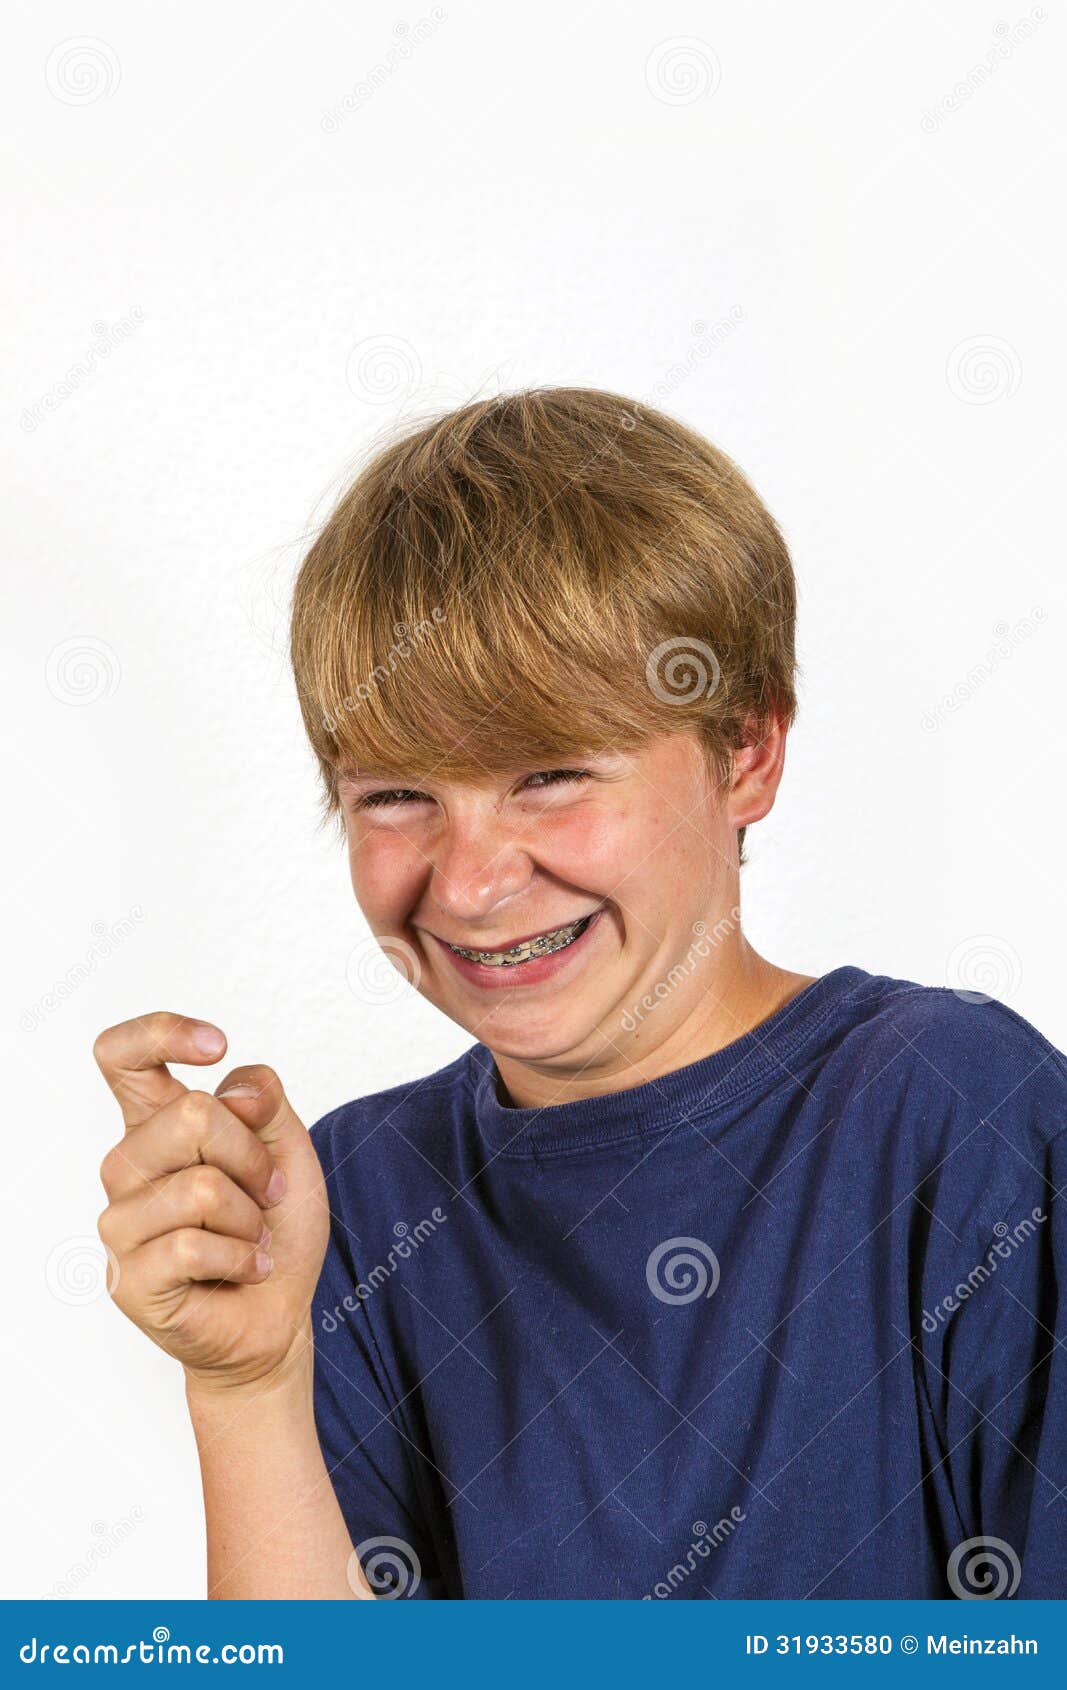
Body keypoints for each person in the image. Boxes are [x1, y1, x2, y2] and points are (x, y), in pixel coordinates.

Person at [94, 388, 1067, 1600]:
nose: (474, 880)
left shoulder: (954, 1110)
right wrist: (247, 1386)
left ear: (746, 752)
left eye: (549, 776)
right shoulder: (345, 1203)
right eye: (395, 795)